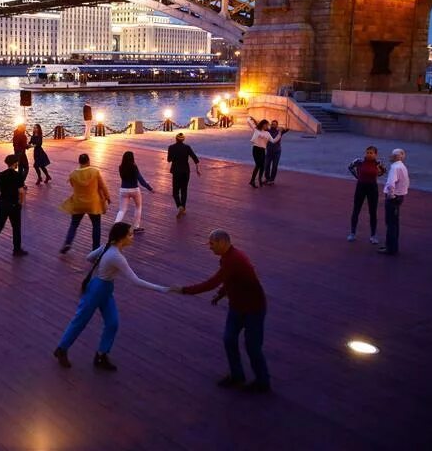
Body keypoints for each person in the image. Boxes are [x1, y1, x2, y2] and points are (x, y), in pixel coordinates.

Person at [53, 222, 169, 370]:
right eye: (130, 234)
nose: (132, 237)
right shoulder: (116, 257)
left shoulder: (107, 247)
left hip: (104, 288)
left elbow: (89, 257)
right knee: (81, 320)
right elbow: (135, 281)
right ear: (122, 237)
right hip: (98, 290)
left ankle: (101, 355)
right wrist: (160, 288)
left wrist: (101, 267)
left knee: (112, 322)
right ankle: (62, 349)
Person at [171, 230, 270, 393]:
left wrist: (184, 290)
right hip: (237, 306)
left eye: (212, 244)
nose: (210, 247)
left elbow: (212, 283)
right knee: (229, 339)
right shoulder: (228, 257)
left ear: (222, 242)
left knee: (252, 346)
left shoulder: (233, 259)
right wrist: (222, 293)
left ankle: (262, 381)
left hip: (253, 309)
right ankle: (237, 375)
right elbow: (232, 278)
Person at [59, 154, 110, 254]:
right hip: (93, 203)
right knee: (96, 225)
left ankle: (68, 242)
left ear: (79, 162)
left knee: (74, 224)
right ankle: (95, 248)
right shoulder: (95, 171)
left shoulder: (73, 174)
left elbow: (73, 186)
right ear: (88, 161)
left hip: (78, 203)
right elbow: (102, 186)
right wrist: (107, 197)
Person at [347, 146, 386, 244]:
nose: (369, 154)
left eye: (371, 153)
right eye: (367, 152)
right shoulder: (359, 161)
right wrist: (357, 176)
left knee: (373, 211)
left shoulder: (378, 163)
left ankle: (373, 235)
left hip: (372, 188)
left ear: (375, 154)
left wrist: (377, 175)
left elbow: (384, 171)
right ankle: (352, 233)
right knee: (356, 209)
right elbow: (350, 167)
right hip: (361, 187)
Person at [115, 151, 154, 233]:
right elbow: (141, 180)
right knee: (138, 207)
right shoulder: (134, 167)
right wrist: (149, 188)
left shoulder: (120, 167)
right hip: (134, 189)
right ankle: (136, 226)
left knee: (122, 210)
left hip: (123, 189)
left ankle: (115, 225)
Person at [381, 148, 409, 256]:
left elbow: (391, 183)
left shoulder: (395, 167)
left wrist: (391, 195)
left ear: (396, 156)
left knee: (390, 223)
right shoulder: (402, 167)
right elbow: (406, 182)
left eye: (393, 155)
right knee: (395, 222)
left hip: (393, 198)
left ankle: (390, 248)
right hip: (400, 196)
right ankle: (393, 246)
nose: (391, 156)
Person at [167, 132, 201, 218]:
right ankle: (184, 208)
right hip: (186, 171)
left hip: (176, 172)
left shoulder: (171, 147)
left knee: (175, 192)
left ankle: (179, 206)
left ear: (176, 139)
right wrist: (197, 169)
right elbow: (195, 158)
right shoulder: (187, 147)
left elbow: (169, 160)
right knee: (184, 190)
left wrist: (174, 156)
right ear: (183, 140)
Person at [246, 117, 283, 188]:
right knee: (258, 165)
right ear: (263, 124)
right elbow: (249, 122)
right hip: (256, 149)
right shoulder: (256, 130)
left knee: (262, 166)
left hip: (262, 150)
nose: (267, 126)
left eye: (268, 125)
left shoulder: (267, 133)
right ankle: (252, 181)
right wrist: (250, 118)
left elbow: (273, 141)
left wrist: (280, 133)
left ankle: (259, 180)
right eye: (266, 125)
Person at [263, 120, 287, 185]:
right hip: (269, 151)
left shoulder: (279, 132)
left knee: (274, 166)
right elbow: (261, 128)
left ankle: (272, 180)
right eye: (272, 124)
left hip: (277, 152)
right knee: (266, 165)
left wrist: (282, 129)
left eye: (274, 124)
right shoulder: (268, 131)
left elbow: (287, 129)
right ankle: (267, 178)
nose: (273, 125)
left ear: (277, 125)